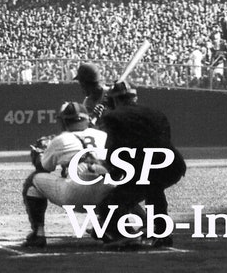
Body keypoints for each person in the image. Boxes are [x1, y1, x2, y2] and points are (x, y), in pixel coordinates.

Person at [95, 81, 187, 248]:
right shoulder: (156, 113)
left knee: (108, 204)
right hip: (173, 165)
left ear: (114, 100)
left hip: (144, 166)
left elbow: (113, 149)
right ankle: (161, 232)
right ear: (135, 97)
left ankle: (122, 235)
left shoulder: (112, 117)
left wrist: (115, 174)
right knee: (154, 189)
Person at [21, 101, 113, 248]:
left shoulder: (60, 139)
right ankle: (110, 227)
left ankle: (38, 234)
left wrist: (39, 156)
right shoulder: (103, 135)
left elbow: (44, 168)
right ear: (87, 119)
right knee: (121, 184)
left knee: (34, 180)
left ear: (64, 122)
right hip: (107, 195)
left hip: (74, 194)